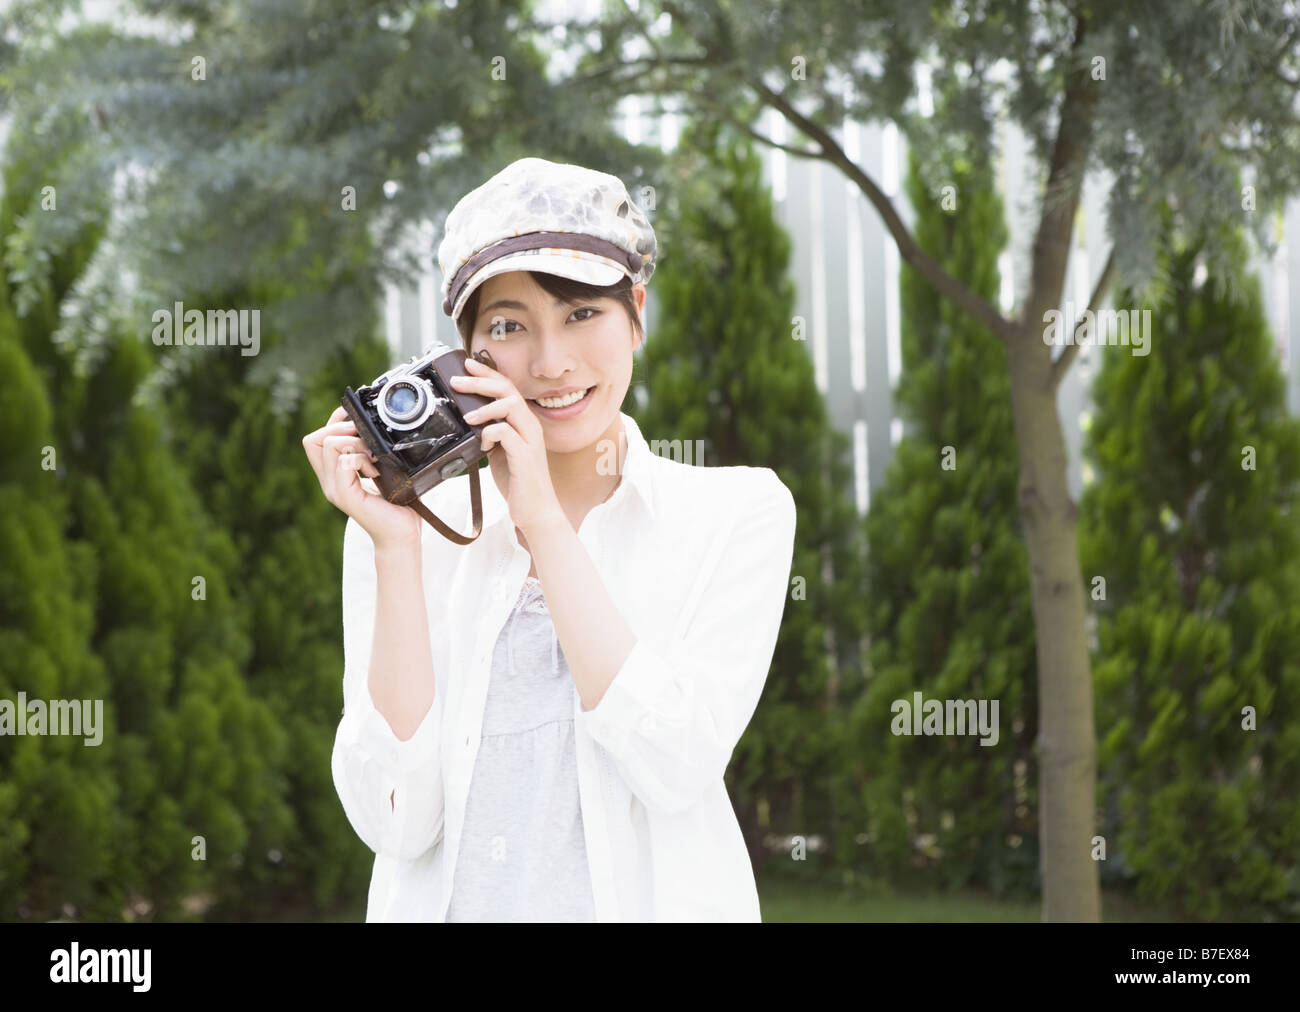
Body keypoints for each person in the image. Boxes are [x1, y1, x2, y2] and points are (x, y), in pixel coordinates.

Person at [302, 156, 797, 922]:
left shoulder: (735, 513)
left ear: (636, 310)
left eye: (581, 314)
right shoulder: (411, 537)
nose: (551, 362)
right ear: (466, 354)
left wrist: (539, 517)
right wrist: (395, 550)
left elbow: (673, 763)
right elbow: (396, 821)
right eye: (508, 326)